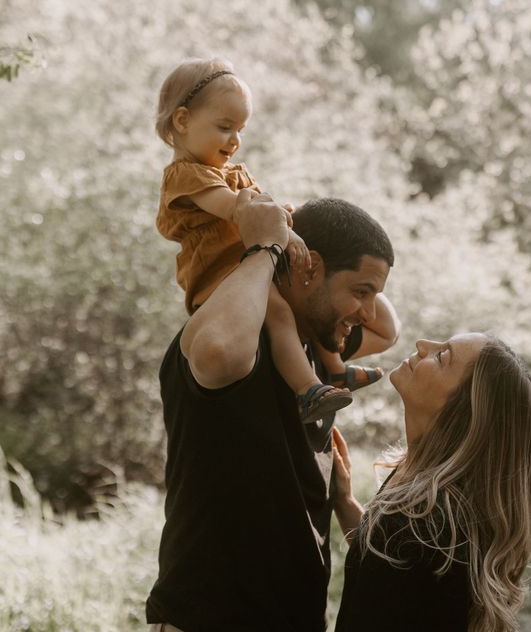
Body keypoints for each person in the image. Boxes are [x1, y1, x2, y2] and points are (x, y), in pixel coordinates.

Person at [142, 190, 398, 632]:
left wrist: (306, 233)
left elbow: (387, 332)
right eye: (361, 292)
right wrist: (264, 248)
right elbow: (218, 352)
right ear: (309, 267)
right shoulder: (240, 339)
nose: (367, 312)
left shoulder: (317, 355)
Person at [154, 56, 383, 423]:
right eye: (225, 126)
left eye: (241, 129)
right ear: (182, 121)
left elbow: (266, 210)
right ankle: (308, 390)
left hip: (251, 263)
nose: (236, 140)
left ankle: (335, 368)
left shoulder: (234, 173)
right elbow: (238, 210)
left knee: (306, 303)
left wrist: (289, 220)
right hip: (218, 276)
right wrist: (282, 227)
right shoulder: (185, 176)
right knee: (277, 310)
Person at [328, 334, 531, 632]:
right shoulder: (429, 503)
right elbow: (387, 574)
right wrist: (345, 502)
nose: (422, 344)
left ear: (461, 411)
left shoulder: (419, 520)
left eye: (442, 357)